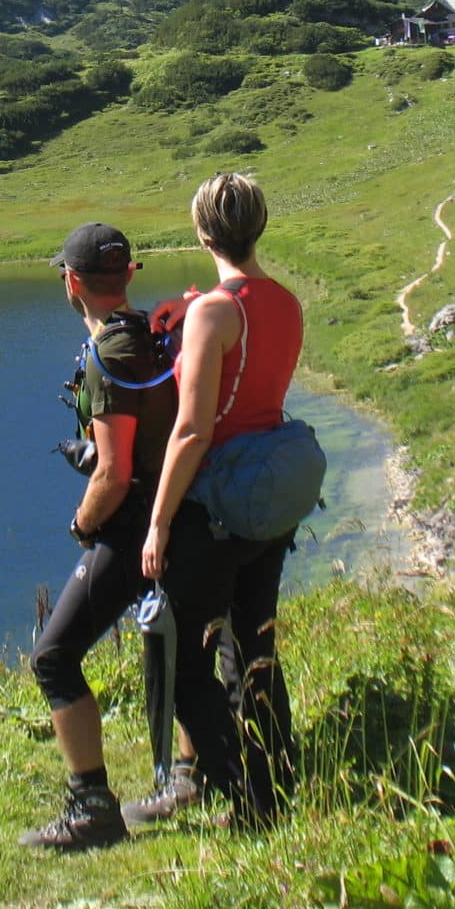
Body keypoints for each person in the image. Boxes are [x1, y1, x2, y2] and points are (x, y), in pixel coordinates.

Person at [139, 173, 304, 830]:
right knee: (252, 645)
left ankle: (240, 793)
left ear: (202, 233)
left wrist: (157, 521)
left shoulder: (211, 310)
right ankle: (275, 787)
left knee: (181, 662)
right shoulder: (286, 302)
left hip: (216, 503)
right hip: (270, 494)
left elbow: (193, 429)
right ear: (258, 226)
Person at [20, 222, 189, 852]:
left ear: (70, 282)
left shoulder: (105, 355)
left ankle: (91, 806)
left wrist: (82, 524)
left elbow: (116, 474)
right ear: (129, 276)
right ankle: (192, 775)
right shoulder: (157, 334)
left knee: (54, 657)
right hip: (179, 513)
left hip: (131, 526)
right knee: (184, 641)